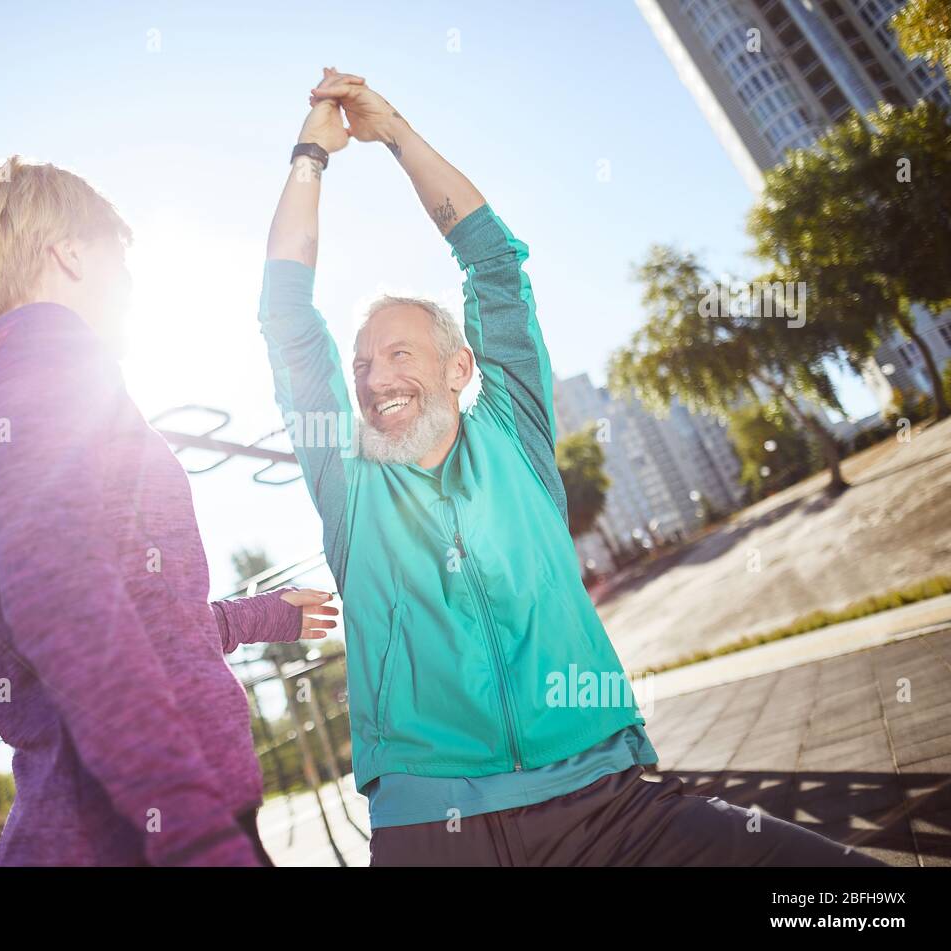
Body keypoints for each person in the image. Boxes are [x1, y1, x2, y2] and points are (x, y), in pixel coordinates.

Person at [257, 70, 886, 867]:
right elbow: (285, 313)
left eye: (398, 353)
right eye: (362, 364)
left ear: (459, 368)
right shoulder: (348, 480)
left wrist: (397, 135)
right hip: (432, 835)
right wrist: (310, 153)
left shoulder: (515, 434)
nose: (374, 378)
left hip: (609, 810)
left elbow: (493, 264)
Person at [0, 154, 337, 866]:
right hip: (151, 826)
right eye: (117, 261)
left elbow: (140, 613)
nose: (129, 283)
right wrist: (189, 826)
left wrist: (261, 617)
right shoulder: (39, 345)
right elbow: (62, 595)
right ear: (68, 255)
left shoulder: (9, 371)